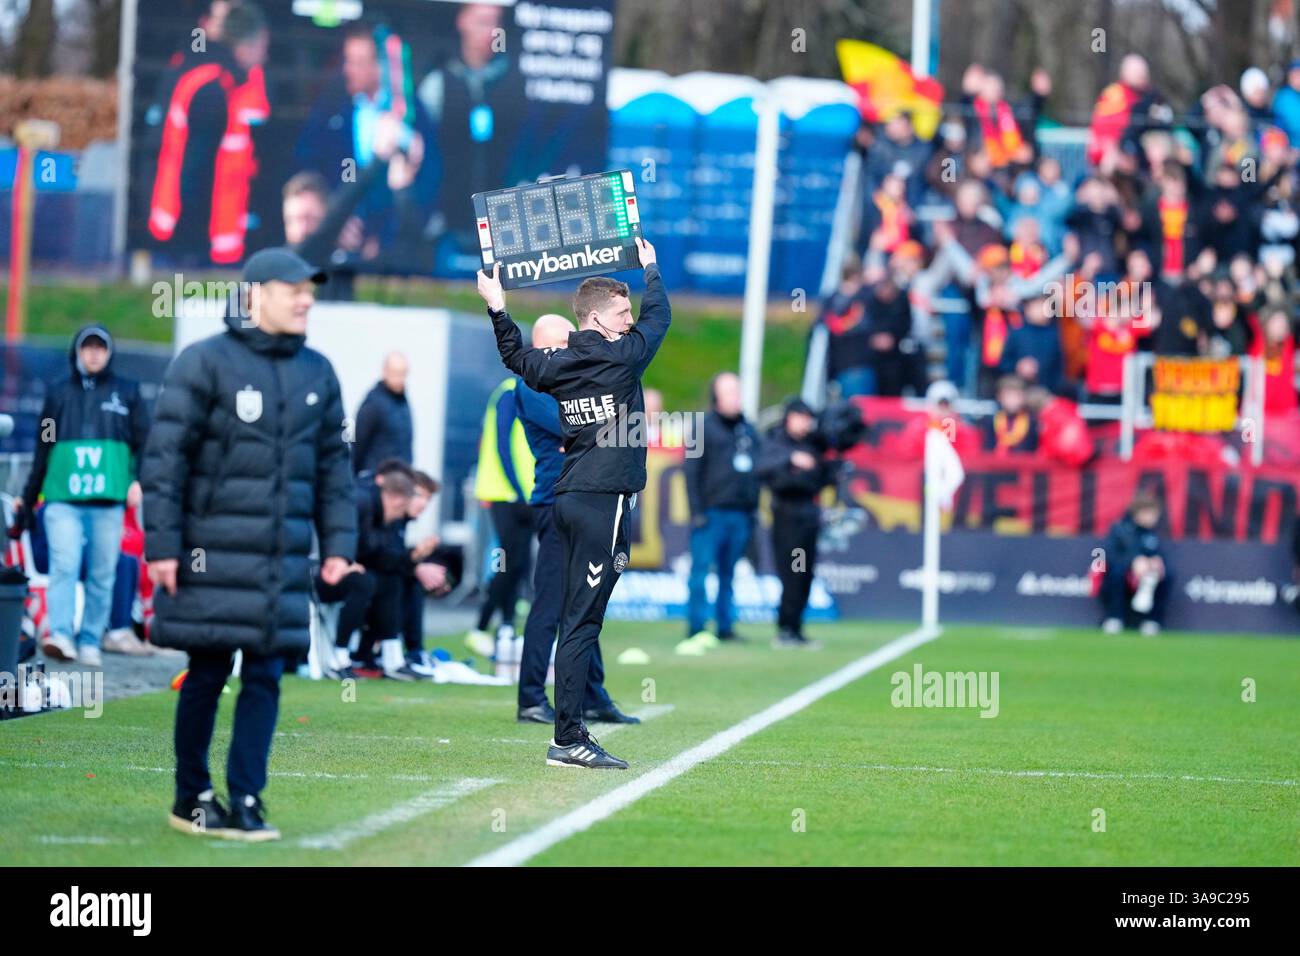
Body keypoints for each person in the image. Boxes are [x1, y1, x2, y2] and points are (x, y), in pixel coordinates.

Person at [141, 248, 357, 841]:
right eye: (294, 289)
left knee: (266, 677)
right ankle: (191, 797)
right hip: (208, 557)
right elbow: (164, 464)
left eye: (310, 289)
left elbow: (336, 469)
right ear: (256, 293)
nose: (306, 298)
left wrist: (339, 542)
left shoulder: (319, 371)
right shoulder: (203, 363)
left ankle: (248, 800)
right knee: (207, 672)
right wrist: (162, 547)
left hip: (280, 565)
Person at [477, 236, 668, 769]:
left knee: (573, 615)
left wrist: (498, 307)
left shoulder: (559, 364)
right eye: (621, 312)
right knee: (582, 621)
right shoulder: (621, 358)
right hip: (600, 499)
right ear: (597, 319)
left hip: (570, 496)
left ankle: (571, 723)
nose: (630, 320)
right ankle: (568, 736)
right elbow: (661, 318)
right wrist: (651, 269)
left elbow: (515, 355)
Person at [513, 314, 636, 725]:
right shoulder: (533, 382)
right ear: (544, 345)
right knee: (550, 603)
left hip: (579, 497)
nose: (573, 348)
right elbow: (579, 425)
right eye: (564, 342)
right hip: (554, 500)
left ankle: (593, 694)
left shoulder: (564, 377)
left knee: (586, 599)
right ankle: (530, 697)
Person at [13, 326, 151, 665]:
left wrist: (139, 480)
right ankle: (61, 635)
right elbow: (44, 446)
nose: (93, 353)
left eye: (99, 347)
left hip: (109, 501)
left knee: (104, 571)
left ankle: (90, 638)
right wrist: (28, 497)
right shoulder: (57, 392)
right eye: (87, 347)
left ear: (108, 352)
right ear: (77, 351)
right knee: (65, 563)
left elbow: (145, 443)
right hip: (63, 500)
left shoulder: (128, 392)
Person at [146, 3, 269, 264]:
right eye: (262, 47)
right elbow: (195, 170)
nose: (265, 57)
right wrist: (194, 242)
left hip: (194, 235)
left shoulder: (214, 80)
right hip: (190, 241)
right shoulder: (213, 90)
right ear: (246, 46)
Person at [680, 372, 760, 655]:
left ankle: (725, 626)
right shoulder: (702, 427)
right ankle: (696, 627)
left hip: (740, 514)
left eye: (737, 391)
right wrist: (697, 511)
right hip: (711, 514)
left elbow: (756, 470)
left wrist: (753, 508)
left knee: (729, 574)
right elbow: (690, 471)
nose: (735, 397)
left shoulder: (747, 429)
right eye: (729, 392)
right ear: (716, 396)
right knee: (700, 573)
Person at [464, 375, 536, 657]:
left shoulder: (530, 391)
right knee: (506, 561)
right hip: (504, 492)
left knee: (519, 562)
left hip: (524, 494)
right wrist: (518, 490)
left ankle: (506, 627)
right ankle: (480, 628)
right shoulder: (509, 392)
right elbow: (502, 443)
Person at [756, 399, 833, 650]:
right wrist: (792, 460)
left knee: (804, 574)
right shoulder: (777, 441)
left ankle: (797, 627)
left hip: (809, 515)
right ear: (789, 417)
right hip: (787, 517)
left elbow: (820, 474)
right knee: (791, 572)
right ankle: (786, 628)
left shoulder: (813, 443)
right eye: (800, 417)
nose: (805, 423)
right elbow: (764, 467)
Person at [1098, 489, 1173, 637]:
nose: (1153, 518)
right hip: (1121, 575)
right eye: (1149, 513)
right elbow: (1108, 554)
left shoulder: (1152, 533)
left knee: (1167, 574)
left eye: (1154, 514)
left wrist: (1156, 562)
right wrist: (1133, 562)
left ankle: (1152, 620)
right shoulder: (1119, 529)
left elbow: (1158, 554)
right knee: (1116, 573)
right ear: (1138, 513)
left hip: (1146, 577)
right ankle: (1114, 618)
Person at [352, 352, 413, 475]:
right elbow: (358, 444)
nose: (399, 378)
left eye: (403, 373)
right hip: (376, 481)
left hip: (401, 480)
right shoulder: (373, 403)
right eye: (395, 373)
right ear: (385, 371)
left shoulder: (402, 402)